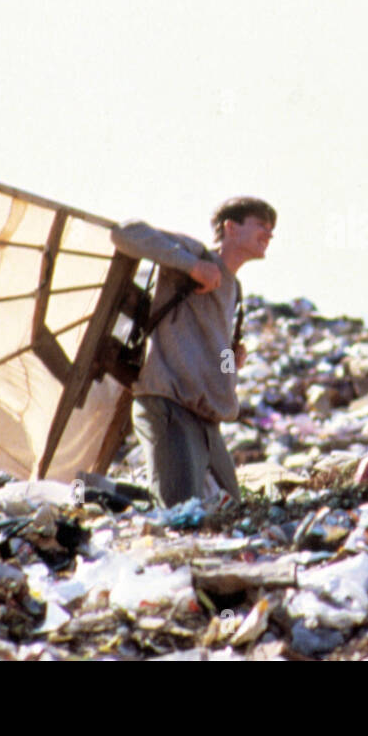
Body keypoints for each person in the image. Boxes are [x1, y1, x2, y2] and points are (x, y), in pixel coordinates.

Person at [110, 197, 276, 508]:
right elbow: (125, 232)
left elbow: (217, 354)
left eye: (271, 229)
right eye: (261, 225)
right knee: (181, 511)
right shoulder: (196, 256)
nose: (269, 235)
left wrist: (232, 360)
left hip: (205, 419)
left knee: (230, 512)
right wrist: (193, 266)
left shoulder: (234, 289)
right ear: (230, 227)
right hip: (169, 405)